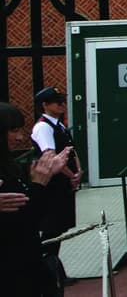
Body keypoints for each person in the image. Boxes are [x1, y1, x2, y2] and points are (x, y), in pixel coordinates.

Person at [1, 102, 76, 297]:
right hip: (11, 272)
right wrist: (39, 184)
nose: (20, 137)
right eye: (13, 131)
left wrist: (45, 178)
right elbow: (25, 218)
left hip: (26, 266)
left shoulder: (10, 167)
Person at [30, 86, 81, 288]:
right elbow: (50, 157)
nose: (62, 104)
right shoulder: (43, 127)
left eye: (62, 100)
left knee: (59, 228)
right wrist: (70, 175)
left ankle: (56, 270)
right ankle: (48, 271)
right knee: (52, 228)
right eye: (57, 101)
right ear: (45, 105)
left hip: (63, 183)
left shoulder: (59, 125)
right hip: (53, 185)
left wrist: (79, 172)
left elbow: (70, 151)